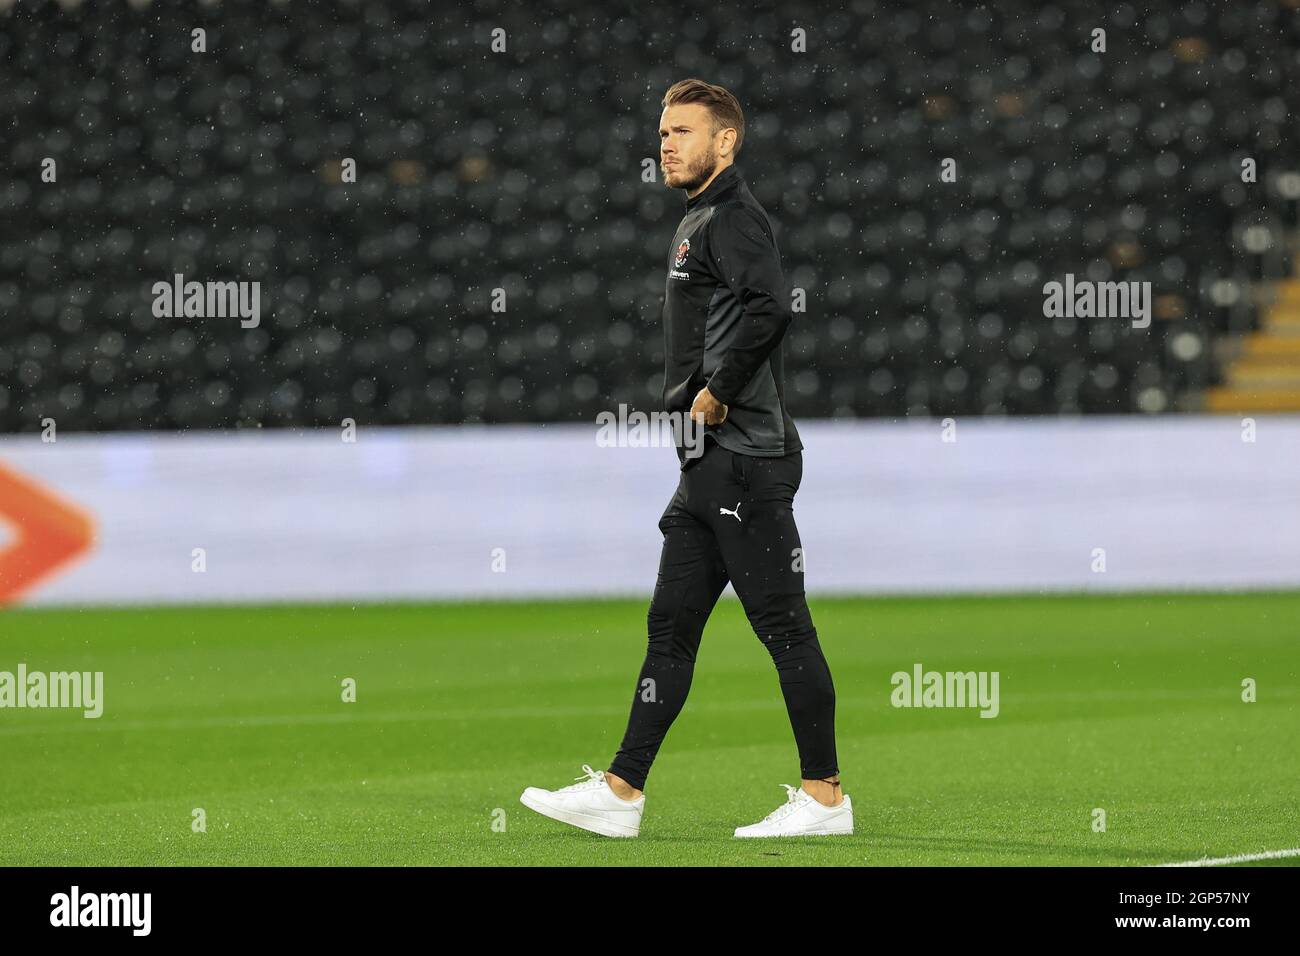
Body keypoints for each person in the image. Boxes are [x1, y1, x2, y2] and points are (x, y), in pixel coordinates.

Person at [520, 79, 849, 838]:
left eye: (682, 131)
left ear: (725, 141)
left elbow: (771, 304)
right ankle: (622, 791)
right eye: (662, 131)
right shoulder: (699, 217)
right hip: (707, 465)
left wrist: (718, 390)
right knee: (670, 629)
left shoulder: (732, 218)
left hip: (744, 457)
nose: (665, 142)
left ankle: (826, 797)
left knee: (785, 628)